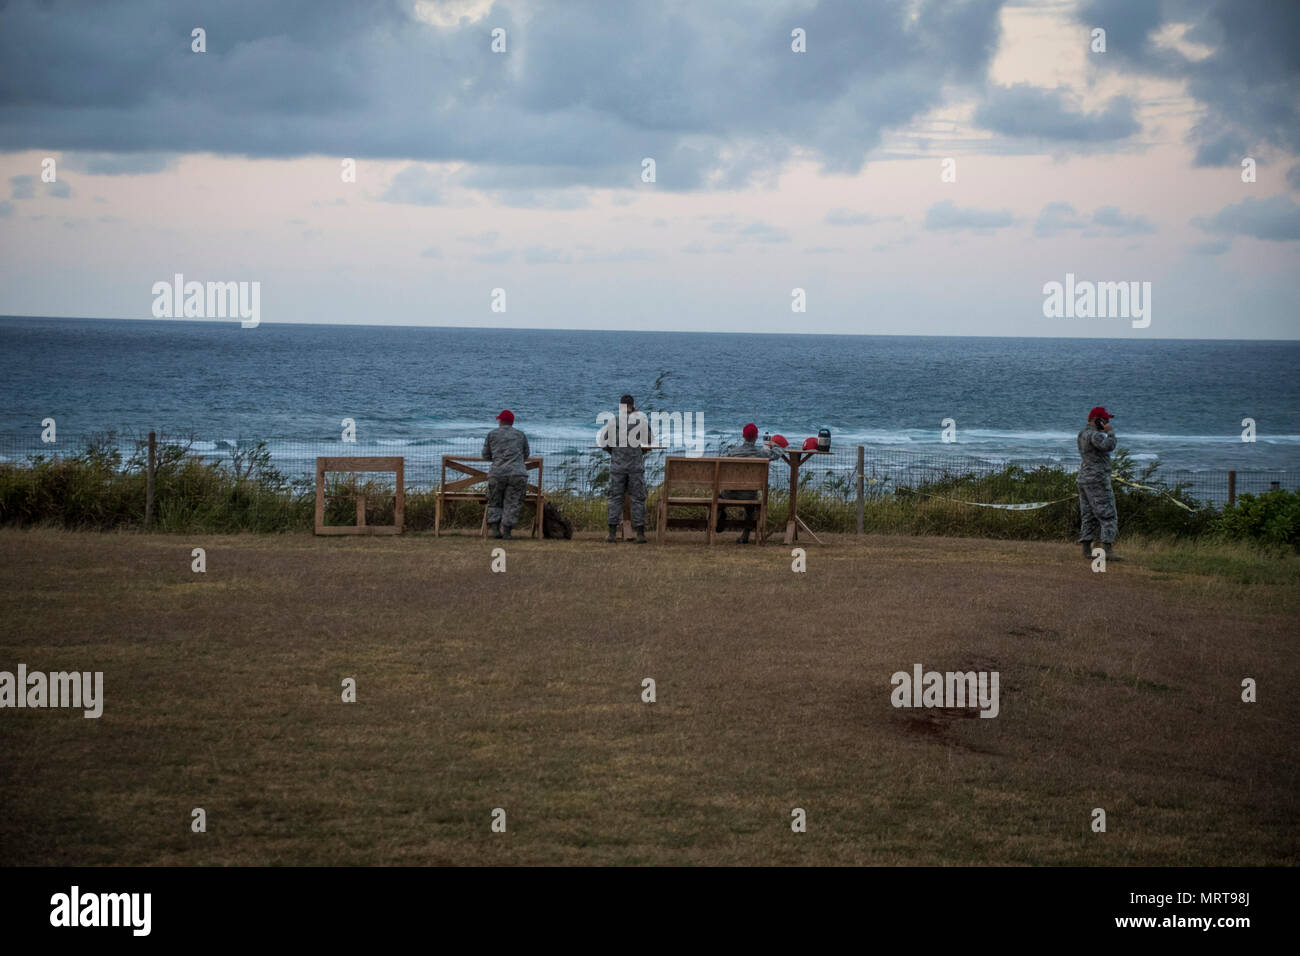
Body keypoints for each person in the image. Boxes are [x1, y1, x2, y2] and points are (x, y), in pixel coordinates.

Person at [600, 394, 652, 544]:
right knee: (638, 499)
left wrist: (614, 453)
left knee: (615, 498)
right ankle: (640, 534)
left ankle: (611, 533)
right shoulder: (639, 421)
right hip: (635, 466)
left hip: (617, 466)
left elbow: (605, 444)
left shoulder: (613, 421)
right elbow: (648, 440)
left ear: (620, 406)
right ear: (633, 406)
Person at [717, 423, 780, 544]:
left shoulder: (732, 453)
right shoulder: (761, 454)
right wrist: (774, 444)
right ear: (756, 437)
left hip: (729, 494)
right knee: (750, 504)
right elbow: (777, 454)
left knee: (720, 497)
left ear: (743, 436)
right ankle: (745, 535)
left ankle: (720, 513)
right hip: (749, 495)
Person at [1077, 406, 1121, 561]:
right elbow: (1108, 446)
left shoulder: (1082, 434)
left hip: (1084, 478)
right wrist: (1110, 432)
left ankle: (1086, 548)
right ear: (1097, 420)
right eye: (1105, 420)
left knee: (1088, 514)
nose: (1107, 422)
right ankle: (1107, 550)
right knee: (1108, 514)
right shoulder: (1095, 435)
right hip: (1097, 479)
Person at [482, 409, 530, 540]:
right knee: (513, 502)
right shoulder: (520, 435)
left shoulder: (492, 434)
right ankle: (507, 531)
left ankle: (495, 529)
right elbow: (526, 454)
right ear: (512, 422)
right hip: (517, 474)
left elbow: (485, 455)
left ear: (501, 421)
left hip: (497, 474)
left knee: (494, 501)